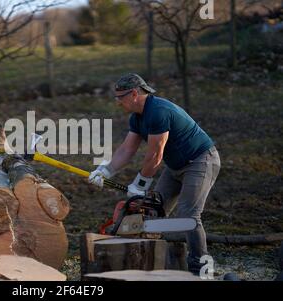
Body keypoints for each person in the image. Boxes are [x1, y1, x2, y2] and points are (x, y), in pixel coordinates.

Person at [88, 73, 221, 274]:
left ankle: (201, 268)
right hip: (175, 166)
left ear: (134, 94)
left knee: (189, 214)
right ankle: (160, 261)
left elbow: (155, 155)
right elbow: (127, 149)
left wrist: (140, 184)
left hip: (201, 161)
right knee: (153, 211)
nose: (117, 103)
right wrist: (105, 170)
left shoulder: (158, 111)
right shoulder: (137, 117)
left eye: (120, 98)